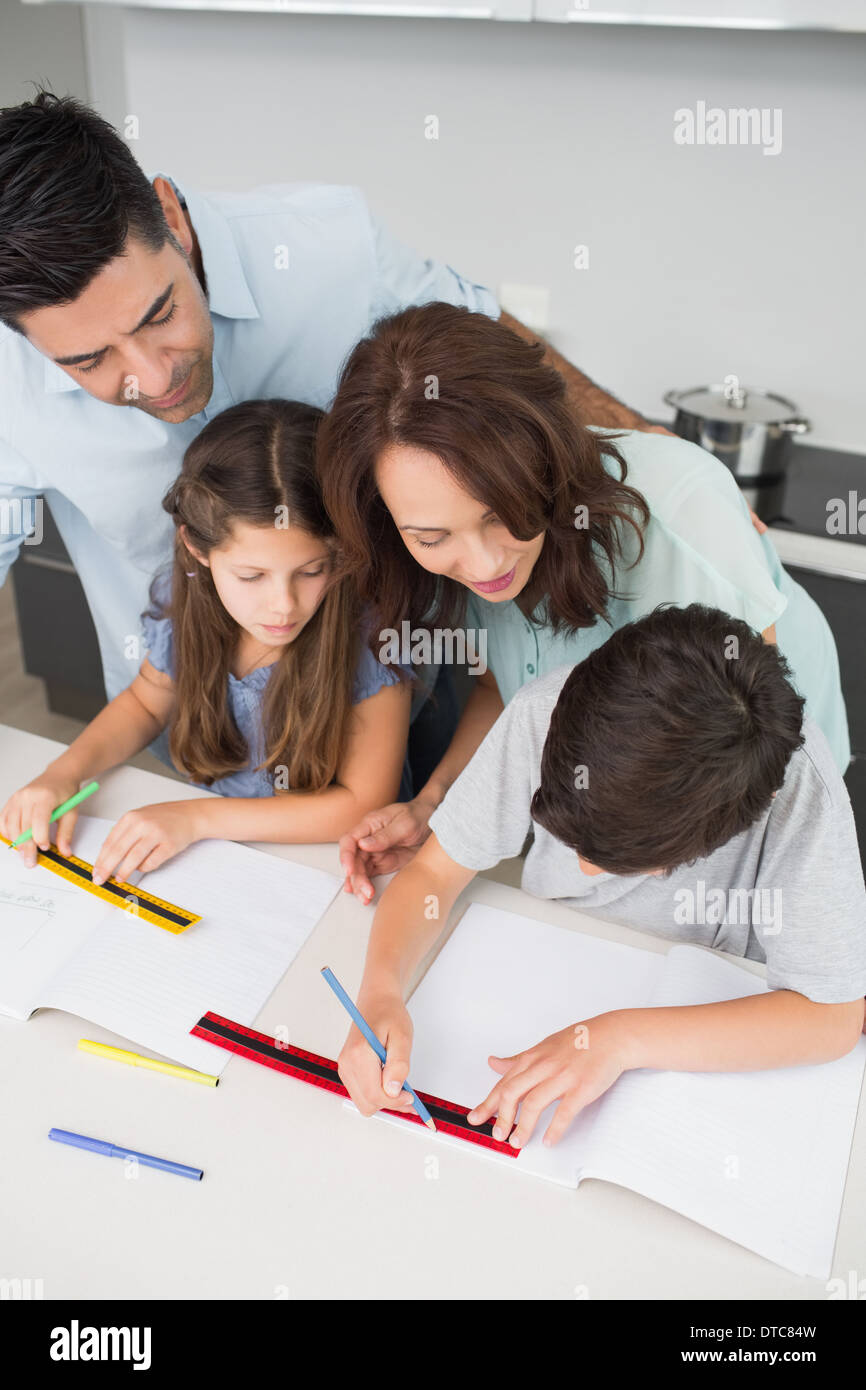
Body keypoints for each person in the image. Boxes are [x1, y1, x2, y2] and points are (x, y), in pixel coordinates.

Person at [0, 90, 662, 786]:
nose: (151, 376)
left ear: (170, 218)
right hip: (198, 729)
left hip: (393, 694)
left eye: (158, 315)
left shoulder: (327, 247)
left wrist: (660, 451)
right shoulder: (8, 386)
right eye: (88, 361)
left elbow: (499, 349)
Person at [316, 302, 851, 901]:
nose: (487, 566)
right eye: (432, 538)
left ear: (546, 456)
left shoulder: (680, 513)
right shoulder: (425, 539)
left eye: (503, 515)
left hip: (749, 762)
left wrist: (622, 863)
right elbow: (507, 688)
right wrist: (434, 806)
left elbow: (754, 741)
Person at [336, 604, 866, 1148]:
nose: (583, 869)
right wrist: (380, 992)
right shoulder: (549, 709)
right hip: (553, 959)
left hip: (712, 1017)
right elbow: (431, 875)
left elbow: (835, 1017)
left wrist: (619, 1039)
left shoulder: (800, 790)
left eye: (620, 859)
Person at [0, 400, 411, 883]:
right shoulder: (183, 598)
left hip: (327, 861)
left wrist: (195, 818)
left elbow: (364, 804)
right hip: (222, 851)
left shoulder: (375, 641)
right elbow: (145, 706)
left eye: (312, 571)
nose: (284, 605)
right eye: (251, 575)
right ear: (198, 548)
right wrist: (63, 772)